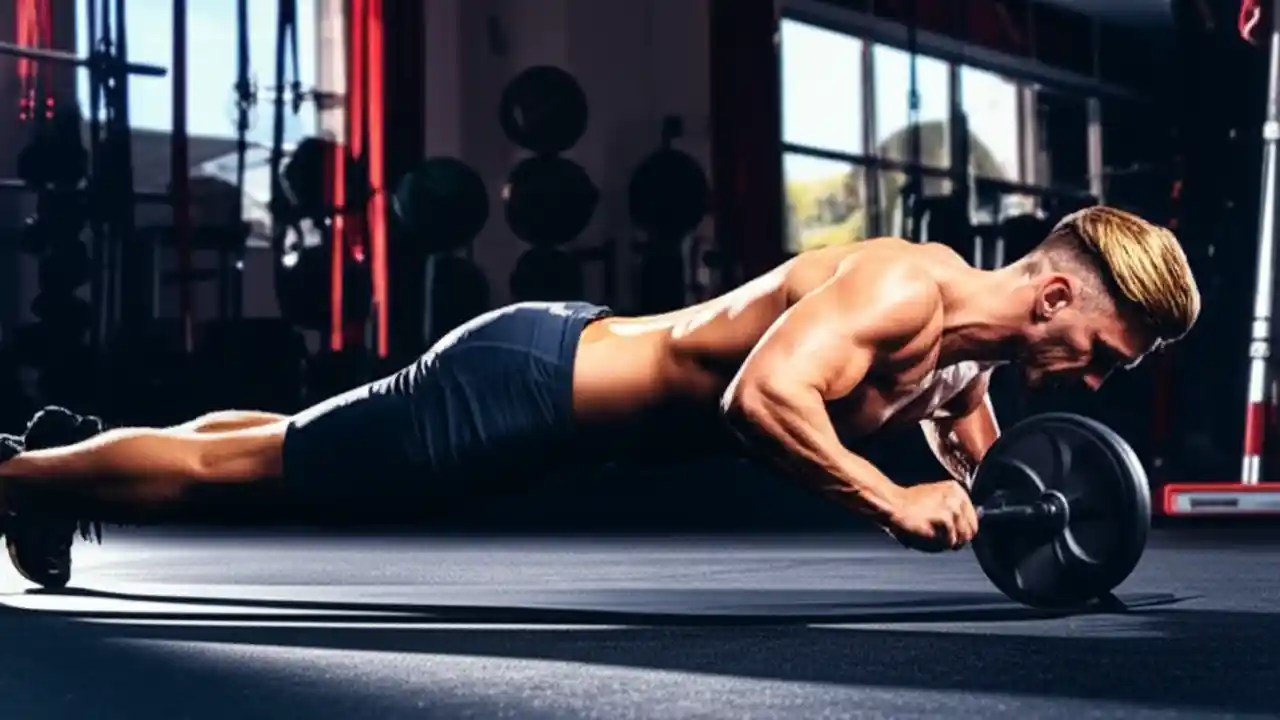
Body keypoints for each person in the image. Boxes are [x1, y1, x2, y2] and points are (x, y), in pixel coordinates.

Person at [0, 205, 1200, 588]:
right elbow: (760, 401)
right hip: (523, 386)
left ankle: (73, 447)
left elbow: (981, 463)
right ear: (1053, 296)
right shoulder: (901, 288)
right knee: (257, 477)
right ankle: (23, 474)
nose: (1097, 382)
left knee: (284, 441)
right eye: (1103, 353)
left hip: (550, 386)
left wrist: (1006, 509)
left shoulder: (968, 357)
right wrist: (891, 503)